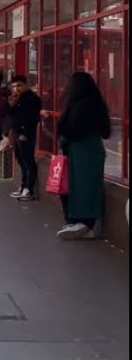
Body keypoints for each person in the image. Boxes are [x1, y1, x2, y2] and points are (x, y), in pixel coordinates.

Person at [55, 72, 112, 240]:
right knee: (90, 185)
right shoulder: (97, 102)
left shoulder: (75, 104)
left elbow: (70, 128)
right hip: (93, 148)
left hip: (78, 149)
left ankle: (80, 221)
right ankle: (90, 223)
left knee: (77, 184)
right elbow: (106, 131)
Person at [7, 74, 43, 200]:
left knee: (28, 161)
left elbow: (32, 118)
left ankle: (28, 188)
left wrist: (25, 133)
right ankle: (23, 186)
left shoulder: (32, 99)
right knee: (21, 161)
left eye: (19, 86)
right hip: (16, 133)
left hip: (25, 134)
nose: (16, 89)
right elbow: (12, 116)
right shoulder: (16, 98)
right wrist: (11, 105)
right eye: (14, 86)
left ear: (26, 85)